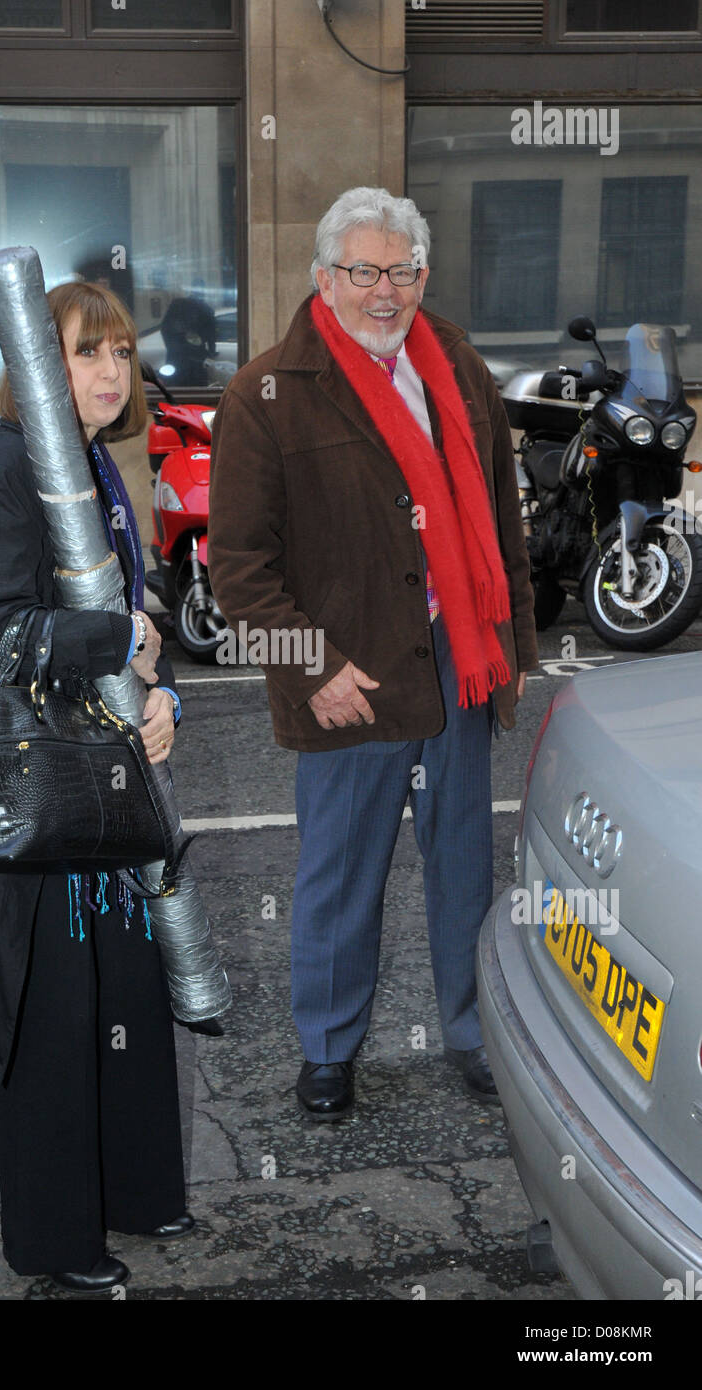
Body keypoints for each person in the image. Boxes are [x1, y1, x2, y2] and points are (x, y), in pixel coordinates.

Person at [208, 187, 538, 1121]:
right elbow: (236, 569)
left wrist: (510, 641)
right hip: (348, 679)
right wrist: (313, 669)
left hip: (458, 660)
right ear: (324, 278)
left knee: (464, 864)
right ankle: (326, 1048)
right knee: (339, 874)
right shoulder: (267, 391)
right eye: (362, 271)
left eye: (400, 270)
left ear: (422, 275)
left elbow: (501, 521)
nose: (382, 291)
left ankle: (472, 1033)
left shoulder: (459, 372)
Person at [0, 281, 193, 1290]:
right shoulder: (5, 466)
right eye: (83, 353)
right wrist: (118, 642)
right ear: (32, 365)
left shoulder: (98, 467)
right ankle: (56, 1244)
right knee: (50, 1015)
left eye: (119, 354)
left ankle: (137, 1192)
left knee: (125, 992)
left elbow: (137, 628)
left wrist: (162, 702)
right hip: (20, 800)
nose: (109, 373)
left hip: (94, 783)